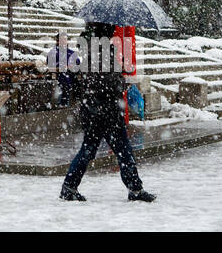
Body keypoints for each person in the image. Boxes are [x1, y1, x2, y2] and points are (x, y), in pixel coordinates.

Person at [59, 22, 155, 202]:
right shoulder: (101, 50)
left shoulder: (90, 50)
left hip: (93, 110)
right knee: (123, 150)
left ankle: (69, 186)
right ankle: (134, 189)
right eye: (110, 29)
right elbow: (106, 82)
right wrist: (121, 81)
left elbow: (93, 81)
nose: (113, 31)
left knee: (88, 150)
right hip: (106, 111)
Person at [43, 30, 80, 106]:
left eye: (65, 39)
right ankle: (62, 104)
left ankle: (72, 101)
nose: (64, 41)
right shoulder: (53, 52)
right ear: (57, 41)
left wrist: (72, 66)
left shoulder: (71, 52)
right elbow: (49, 64)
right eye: (62, 39)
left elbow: (78, 62)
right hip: (59, 78)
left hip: (71, 78)